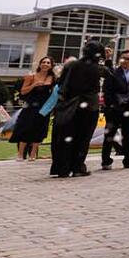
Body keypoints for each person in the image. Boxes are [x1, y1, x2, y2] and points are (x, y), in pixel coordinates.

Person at [49, 42, 104, 178]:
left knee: (64, 137)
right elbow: (103, 81)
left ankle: (62, 167)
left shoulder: (71, 65)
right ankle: (77, 166)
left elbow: (61, 83)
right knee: (83, 138)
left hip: (68, 105)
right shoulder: (96, 68)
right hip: (88, 106)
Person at [101, 49, 129, 170]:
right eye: (124, 58)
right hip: (114, 110)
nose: (126, 61)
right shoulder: (113, 73)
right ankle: (106, 161)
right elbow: (107, 92)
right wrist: (111, 106)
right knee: (109, 136)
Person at [11, 57, 56, 160]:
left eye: (48, 63)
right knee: (25, 128)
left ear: (51, 66)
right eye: (43, 62)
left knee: (39, 129)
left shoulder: (52, 78)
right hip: (30, 106)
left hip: (44, 107)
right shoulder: (31, 76)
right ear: (40, 64)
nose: (45, 64)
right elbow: (23, 91)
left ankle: (33, 154)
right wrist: (34, 85)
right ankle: (20, 154)